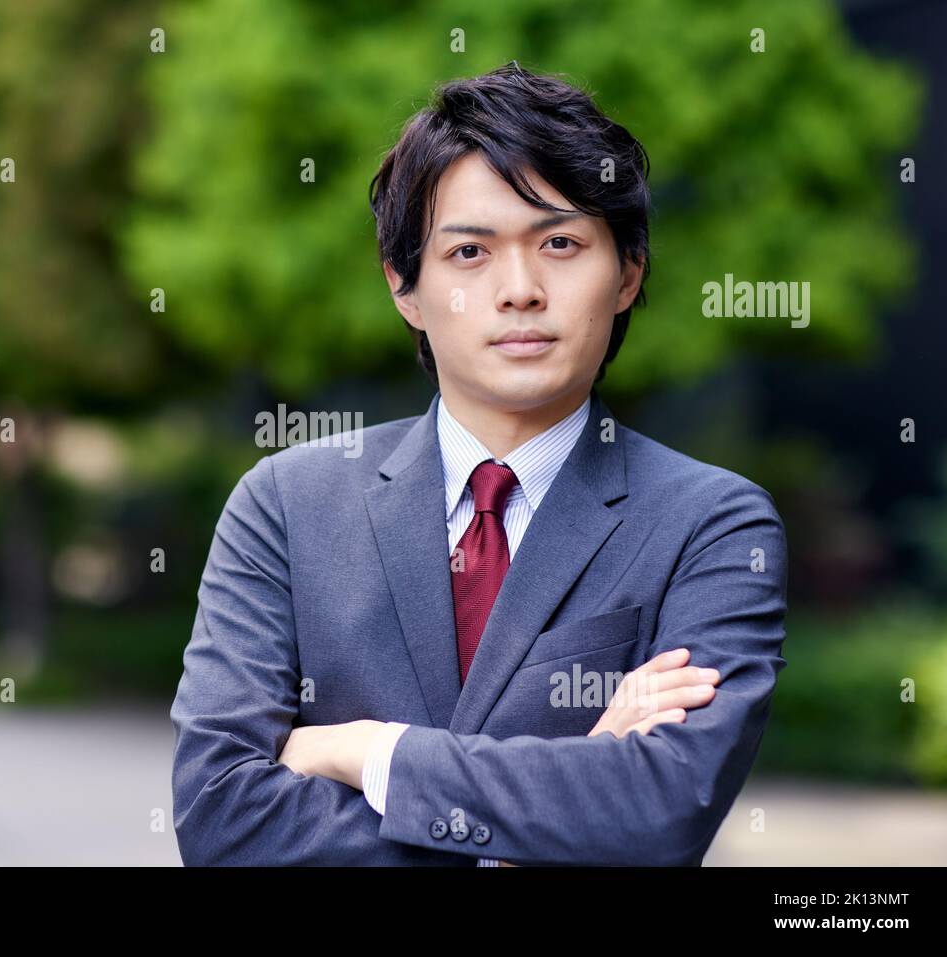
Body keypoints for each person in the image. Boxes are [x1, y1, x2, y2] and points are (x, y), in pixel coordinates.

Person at [169, 61, 788, 866]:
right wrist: (568, 803)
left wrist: (367, 752)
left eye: (561, 243)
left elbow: (659, 814)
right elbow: (222, 818)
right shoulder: (286, 506)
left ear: (627, 273)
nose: (521, 289)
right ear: (406, 288)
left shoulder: (711, 524)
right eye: (470, 252)